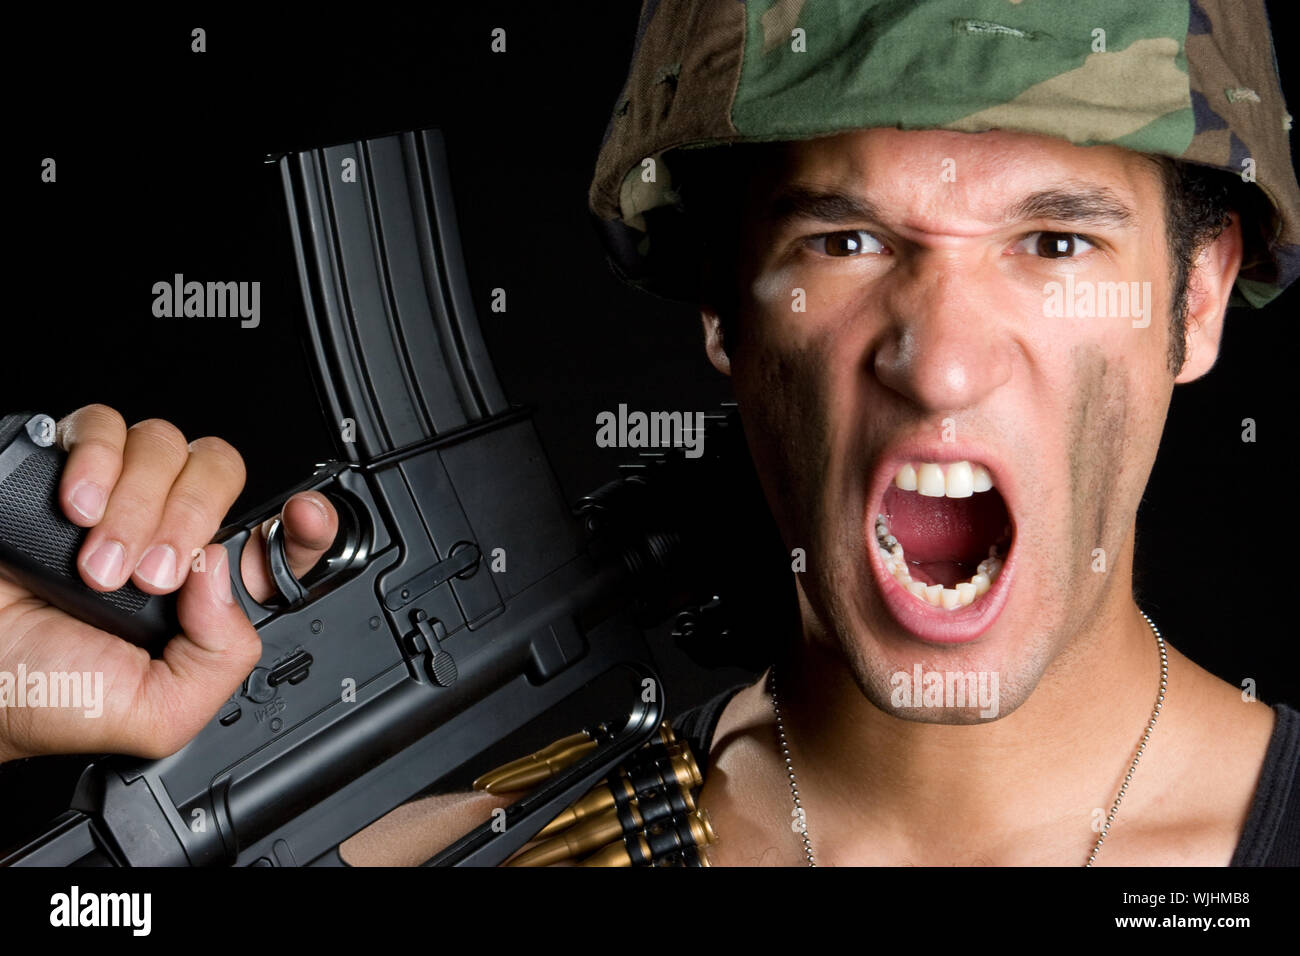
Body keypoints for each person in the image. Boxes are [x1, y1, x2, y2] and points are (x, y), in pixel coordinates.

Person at [4, 0, 1298, 866]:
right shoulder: (489, 847)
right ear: (722, 305)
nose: (942, 363)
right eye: (845, 241)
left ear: (1194, 299)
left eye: (1056, 244)